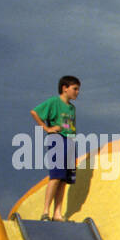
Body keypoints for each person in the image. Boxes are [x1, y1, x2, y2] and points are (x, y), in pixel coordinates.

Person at [30, 75, 80, 221]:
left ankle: (57, 212)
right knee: (56, 177)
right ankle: (45, 211)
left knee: (64, 180)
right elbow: (35, 112)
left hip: (70, 141)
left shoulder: (72, 108)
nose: (77, 92)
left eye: (78, 89)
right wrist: (46, 128)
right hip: (57, 139)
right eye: (75, 89)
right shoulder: (54, 102)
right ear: (65, 88)